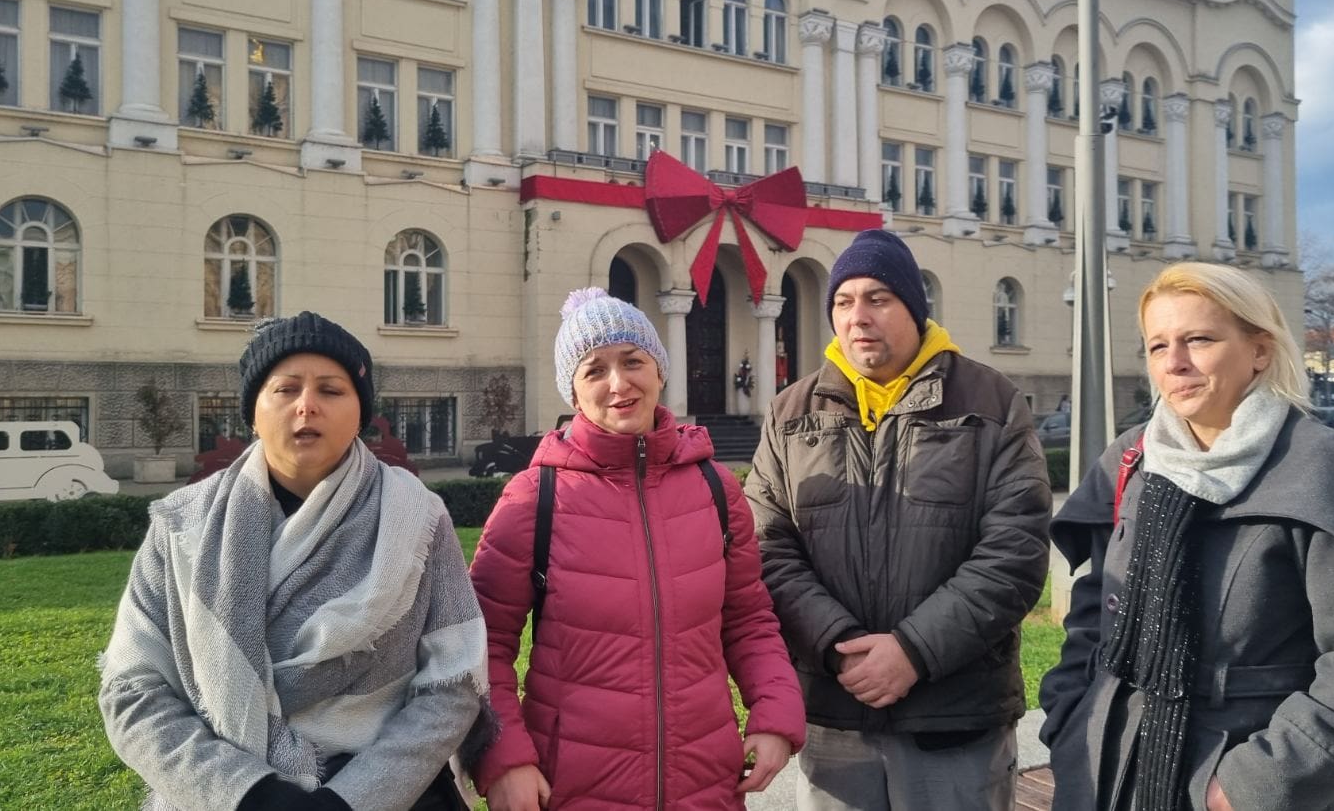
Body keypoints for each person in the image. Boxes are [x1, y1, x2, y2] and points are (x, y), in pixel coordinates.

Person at [1039, 263, 1334, 811]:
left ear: (1259, 351)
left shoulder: (1322, 472)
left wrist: (1250, 786)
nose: (1175, 362)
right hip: (1108, 773)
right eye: (1158, 345)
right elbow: (1095, 610)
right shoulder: (1132, 460)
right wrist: (1069, 718)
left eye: (1199, 340)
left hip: (1247, 783)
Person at [100, 312, 493, 811]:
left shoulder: (418, 517)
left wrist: (351, 799)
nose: (307, 405)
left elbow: (453, 682)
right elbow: (134, 691)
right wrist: (248, 794)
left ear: (360, 412)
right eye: (286, 389)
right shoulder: (182, 526)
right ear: (253, 412)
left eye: (331, 390)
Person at [746, 229, 1053, 810]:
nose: (857, 317)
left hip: (954, 716)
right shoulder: (791, 413)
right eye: (843, 301)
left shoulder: (991, 402)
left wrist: (914, 651)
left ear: (914, 307)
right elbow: (766, 546)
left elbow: (1014, 552)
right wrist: (837, 644)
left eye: (878, 298)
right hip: (835, 712)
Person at [470, 287, 804, 810]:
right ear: (573, 393)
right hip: (576, 787)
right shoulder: (534, 497)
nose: (618, 383)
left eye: (633, 361)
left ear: (660, 371)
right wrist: (504, 757)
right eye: (594, 370)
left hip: (704, 784)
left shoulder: (716, 489)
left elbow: (748, 619)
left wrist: (775, 714)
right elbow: (482, 644)